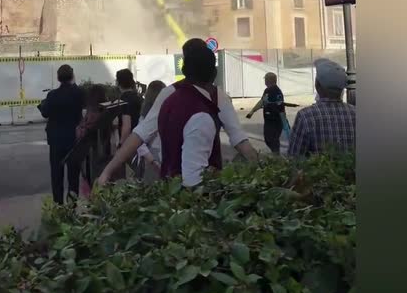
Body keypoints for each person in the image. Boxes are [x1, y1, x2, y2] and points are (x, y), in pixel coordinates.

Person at [95, 39, 261, 188]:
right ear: (212, 71)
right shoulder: (219, 97)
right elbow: (240, 140)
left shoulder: (168, 94)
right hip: (207, 187)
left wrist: (107, 171)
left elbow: (139, 134)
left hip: (171, 186)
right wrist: (261, 171)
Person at [288, 59, 356, 158]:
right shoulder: (355, 114)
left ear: (317, 85)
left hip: (318, 173)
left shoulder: (306, 116)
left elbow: (294, 157)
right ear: (342, 88)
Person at [38, 64, 84, 204]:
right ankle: (72, 205)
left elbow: (45, 112)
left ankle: (58, 206)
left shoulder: (52, 95)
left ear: (58, 78)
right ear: (72, 76)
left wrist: (43, 103)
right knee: (73, 175)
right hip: (73, 139)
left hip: (56, 140)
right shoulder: (78, 93)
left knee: (57, 175)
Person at [247, 72, 287, 154]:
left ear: (268, 80)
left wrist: (252, 111)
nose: (264, 81)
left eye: (265, 79)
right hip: (275, 120)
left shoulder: (269, 90)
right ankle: (276, 155)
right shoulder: (276, 90)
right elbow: (264, 102)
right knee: (272, 140)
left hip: (272, 120)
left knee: (270, 139)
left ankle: (277, 157)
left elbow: (262, 102)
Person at [133, 80, 165, 181]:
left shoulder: (145, 115)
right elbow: (139, 141)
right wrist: (153, 161)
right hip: (153, 156)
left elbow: (139, 141)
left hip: (152, 157)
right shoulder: (149, 115)